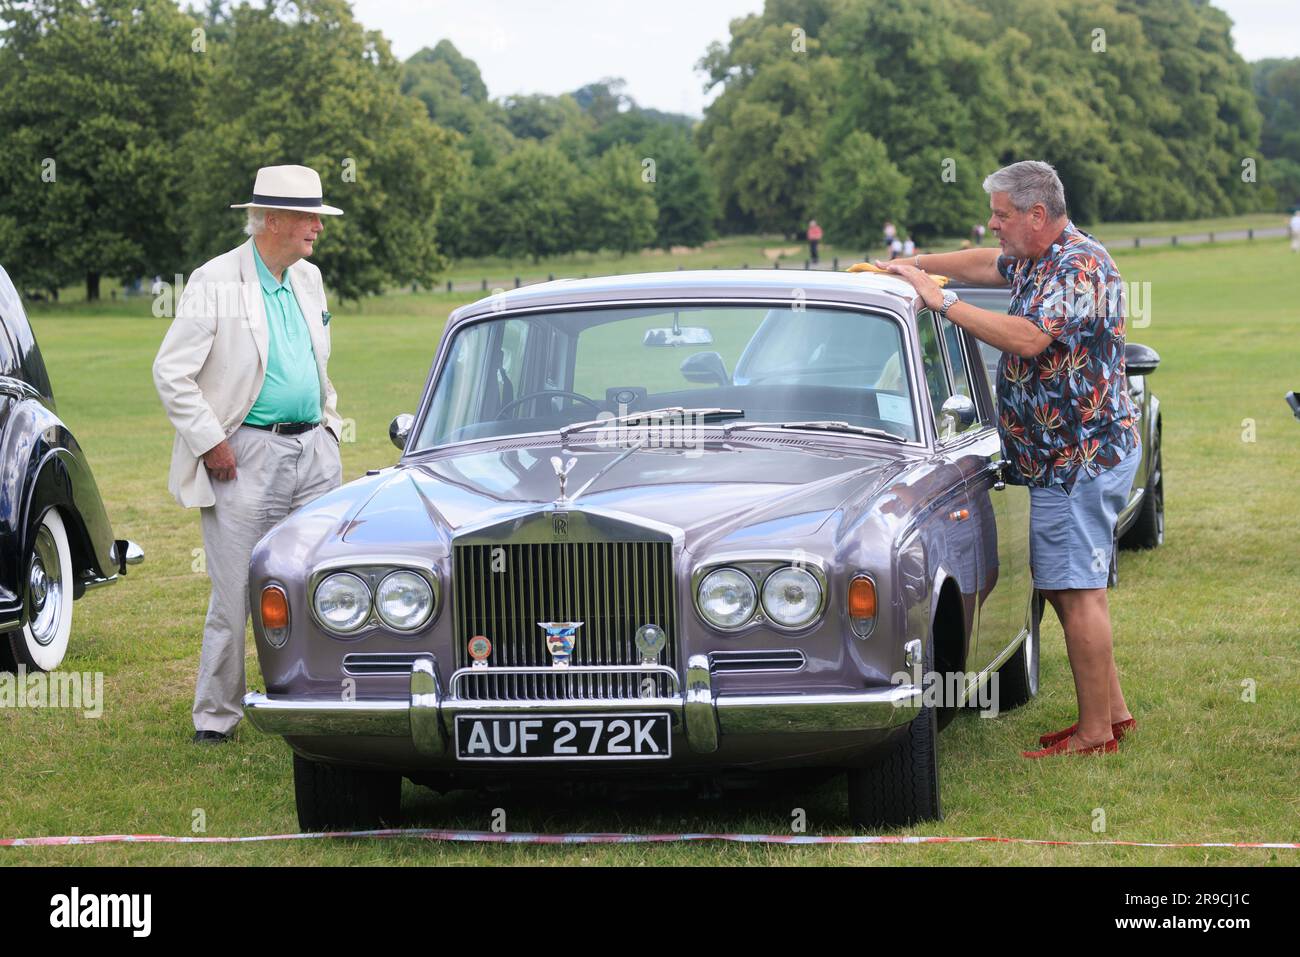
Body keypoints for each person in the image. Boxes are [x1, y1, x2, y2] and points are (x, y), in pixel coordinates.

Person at [880, 159, 1141, 758]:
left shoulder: (1078, 265)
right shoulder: (1036, 256)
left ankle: (1096, 733)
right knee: (1064, 587)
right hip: (1058, 458)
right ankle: (1113, 713)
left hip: (1078, 458)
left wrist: (939, 304)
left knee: (1076, 593)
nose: (992, 225)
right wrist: (914, 267)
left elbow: (1026, 337)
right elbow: (980, 264)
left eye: (1001, 215)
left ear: (1037, 214)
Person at [153, 164, 345, 744]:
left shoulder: (307, 279)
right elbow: (171, 373)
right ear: (274, 220)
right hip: (245, 455)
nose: (318, 227)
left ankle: (329, 705)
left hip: (315, 451)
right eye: (309, 217)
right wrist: (212, 442)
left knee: (325, 582)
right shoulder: (215, 281)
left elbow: (316, 365)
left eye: (318, 216)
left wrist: (330, 428)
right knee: (237, 592)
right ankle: (216, 719)